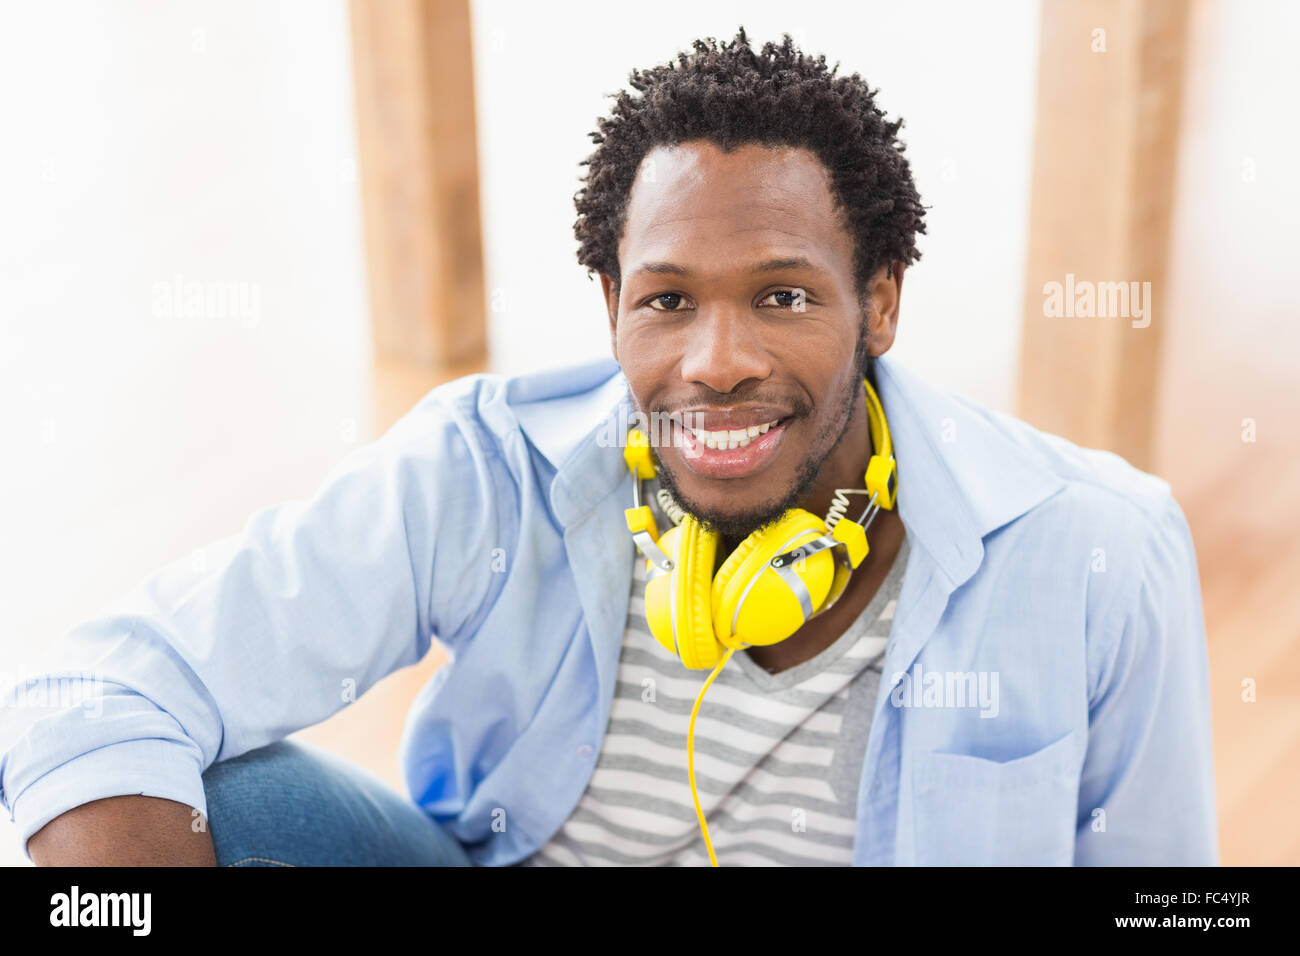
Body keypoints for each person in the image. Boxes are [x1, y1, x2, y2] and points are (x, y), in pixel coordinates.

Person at [2, 27, 1217, 867]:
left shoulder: (1091, 546)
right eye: (668, 298)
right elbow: (87, 693)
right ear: (611, 303)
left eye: (784, 296)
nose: (714, 360)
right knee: (223, 794)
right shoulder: (490, 469)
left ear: (881, 301)